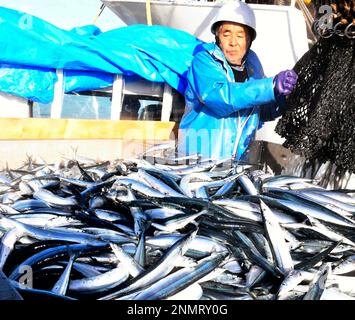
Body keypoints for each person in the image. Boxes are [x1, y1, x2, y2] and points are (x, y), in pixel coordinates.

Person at [178, 1, 298, 161]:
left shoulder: (252, 64)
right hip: (199, 162)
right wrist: (271, 86)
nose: (233, 42)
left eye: (240, 35)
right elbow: (222, 98)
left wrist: (282, 98)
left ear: (249, 40)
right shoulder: (203, 62)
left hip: (237, 165)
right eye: (226, 34)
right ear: (217, 37)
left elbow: (261, 111)